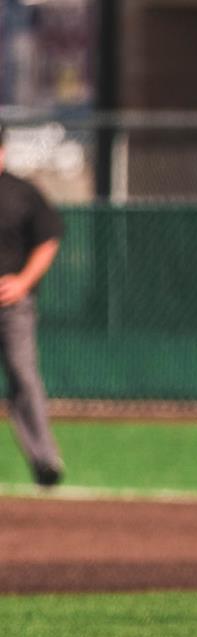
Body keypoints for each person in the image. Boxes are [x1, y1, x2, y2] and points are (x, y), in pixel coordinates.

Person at [0, 124, 66, 487]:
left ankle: (45, 461)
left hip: (12, 308)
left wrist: (24, 281)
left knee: (24, 377)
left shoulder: (20, 193)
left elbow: (49, 237)